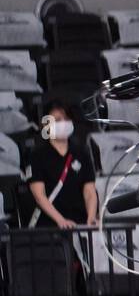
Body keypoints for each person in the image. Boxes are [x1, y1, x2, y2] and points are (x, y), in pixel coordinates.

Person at [27, 98, 98, 229]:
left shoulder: (81, 153)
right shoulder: (37, 156)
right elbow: (39, 195)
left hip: (80, 223)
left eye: (66, 119)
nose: (63, 123)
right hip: (50, 227)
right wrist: (61, 220)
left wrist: (92, 216)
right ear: (46, 124)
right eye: (57, 120)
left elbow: (89, 190)